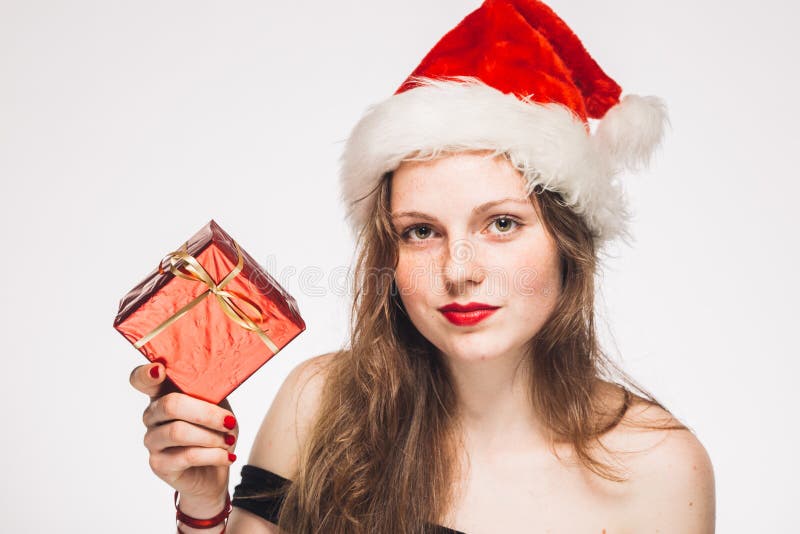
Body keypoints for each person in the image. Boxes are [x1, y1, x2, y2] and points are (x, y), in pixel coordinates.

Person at [129, 1, 716, 532]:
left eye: (502, 223)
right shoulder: (318, 404)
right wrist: (204, 504)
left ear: (570, 242)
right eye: (421, 231)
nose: (459, 270)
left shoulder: (660, 469)